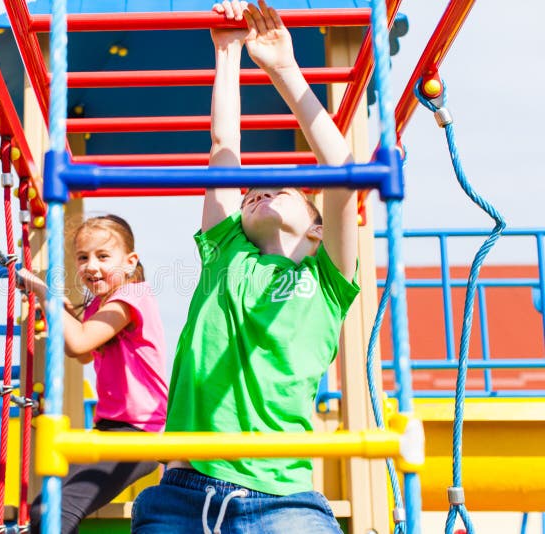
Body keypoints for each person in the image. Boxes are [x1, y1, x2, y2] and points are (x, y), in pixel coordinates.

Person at [131, 1, 359, 533]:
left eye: (282, 188)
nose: (260, 191)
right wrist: (227, 53)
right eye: (251, 191)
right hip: (184, 492)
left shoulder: (325, 281)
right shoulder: (227, 250)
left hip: (281, 497)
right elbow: (223, 148)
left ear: (317, 226)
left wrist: (283, 70)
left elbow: (345, 170)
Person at [16, 214, 169, 534]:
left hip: (140, 434)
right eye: (83, 257)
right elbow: (84, 352)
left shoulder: (131, 297)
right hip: (109, 431)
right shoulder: (98, 306)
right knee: (45, 505)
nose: (91, 266)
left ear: (130, 262)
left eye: (103, 256)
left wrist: (45, 295)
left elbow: (81, 340)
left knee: (59, 509)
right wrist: (64, 311)